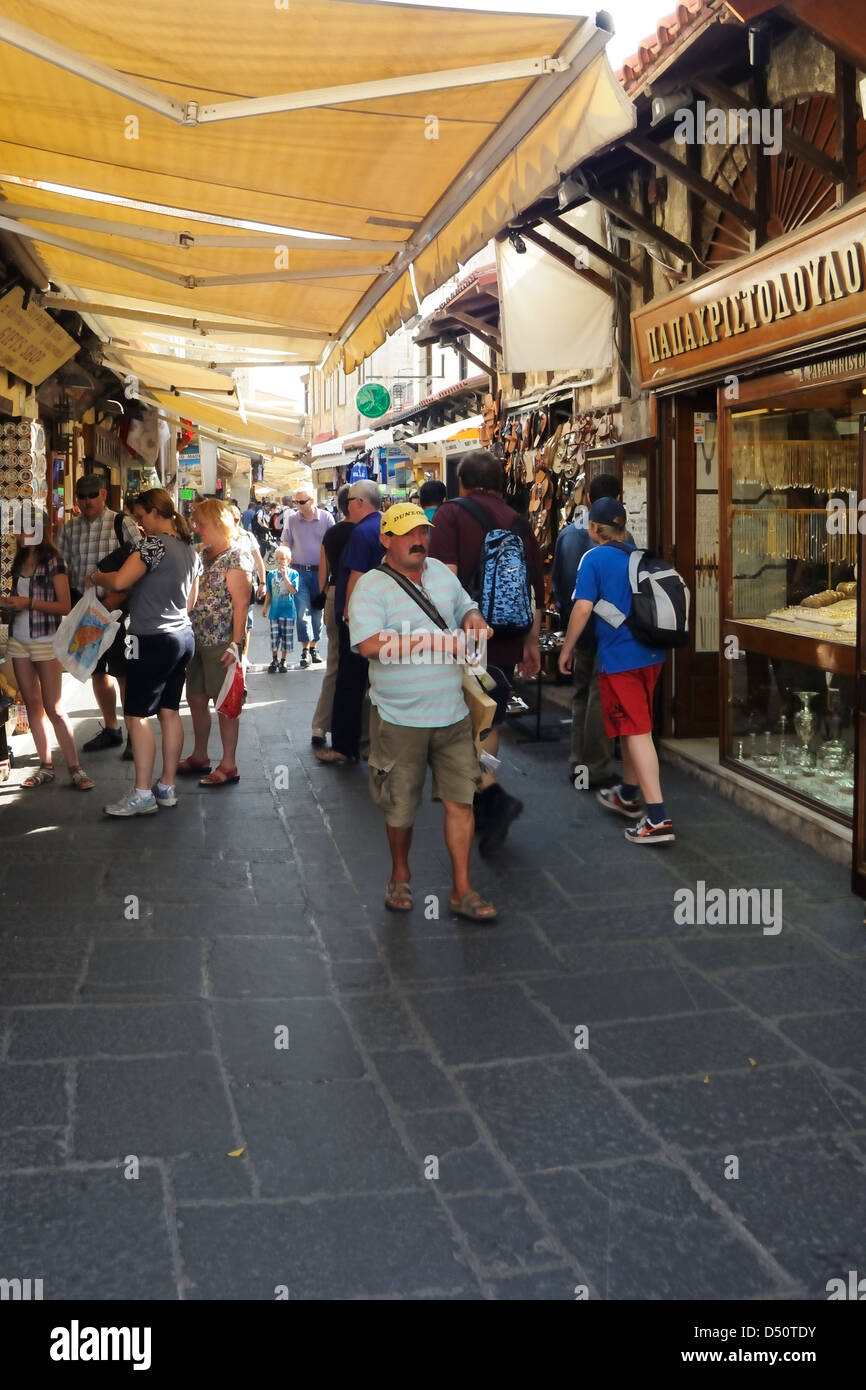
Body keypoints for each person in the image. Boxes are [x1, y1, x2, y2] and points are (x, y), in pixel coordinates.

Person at [349, 503, 496, 921]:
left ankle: (462, 889)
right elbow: (368, 646)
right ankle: (400, 872)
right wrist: (433, 642)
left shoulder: (442, 574)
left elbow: (466, 604)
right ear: (386, 540)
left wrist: (473, 619)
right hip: (399, 718)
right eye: (408, 534)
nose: (419, 541)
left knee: (461, 802)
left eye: (423, 532)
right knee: (399, 806)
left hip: (452, 714)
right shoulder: (373, 587)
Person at [428, 450, 543, 854]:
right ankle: (481, 792)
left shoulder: (450, 515)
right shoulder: (518, 520)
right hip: (507, 636)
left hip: (465, 636)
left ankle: (488, 796)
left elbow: (445, 580)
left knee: (459, 718)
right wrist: (532, 640)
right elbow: (533, 588)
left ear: (462, 482)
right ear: (498, 483)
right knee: (488, 716)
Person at [558, 496, 674, 845]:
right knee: (634, 726)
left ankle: (657, 819)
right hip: (652, 654)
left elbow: (582, 608)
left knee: (636, 731)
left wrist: (567, 650)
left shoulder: (593, 557)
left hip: (620, 659)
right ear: (622, 527)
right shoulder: (638, 555)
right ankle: (627, 793)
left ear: (594, 528)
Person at [93, 488, 201, 817]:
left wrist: (97, 576)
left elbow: (121, 581)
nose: (140, 525)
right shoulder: (188, 549)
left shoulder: (152, 545)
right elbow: (190, 603)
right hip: (182, 636)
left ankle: (142, 792)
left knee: (136, 716)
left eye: (141, 517)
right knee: (169, 711)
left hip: (151, 638)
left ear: (155, 512)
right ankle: (165, 786)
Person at [1, 512, 93, 790]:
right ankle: (46, 766)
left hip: (46, 639)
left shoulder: (54, 561)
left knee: (54, 707)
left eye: (22, 528)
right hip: (19, 639)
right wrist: (8, 604)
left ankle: (75, 768)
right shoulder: (18, 561)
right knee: (32, 705)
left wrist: (27, 603)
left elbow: (64, 605)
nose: (17, 534)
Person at [552, 473, 628, 792]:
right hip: (608, 631)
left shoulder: (567, 536)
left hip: (577, 629)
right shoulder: (622, 541)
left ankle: (578, 765)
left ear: (586, 499)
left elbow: (558, 583)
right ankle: (594, 769)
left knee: (582, 696)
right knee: (599, 697)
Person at [57, 471, 140, 755]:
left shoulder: (122, 523)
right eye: (82, 496)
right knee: (96, 671)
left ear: (104, 494)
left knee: (124, 672)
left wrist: (118, 598)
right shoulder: (69, 529)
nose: (88, 500)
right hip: (87, 609)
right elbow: (64, 568)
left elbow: (140, 565)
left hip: (119, 607)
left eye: (93, 494)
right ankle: (112, 728)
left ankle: (134, 734)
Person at [178, 500, 252, 786]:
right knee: (196, 698)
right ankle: (200, 755)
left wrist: (236, 644)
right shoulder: (203, 554)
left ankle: (229, 763)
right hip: (196, 638)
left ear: (219, 524)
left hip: (221, 640)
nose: (197, 529)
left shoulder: (236, 557)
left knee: (225, 704)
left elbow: (241, 605)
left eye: (201, 523)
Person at [316, 479, 382, 764]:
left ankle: (344, 746)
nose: (347, 507)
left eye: (350, 500)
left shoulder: (361, 533)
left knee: (349, 681)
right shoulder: (384, 526)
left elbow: (355, 577)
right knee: (375, 683)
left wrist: (348, 616)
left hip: (360, 620)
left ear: (360, 503)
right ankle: (371, 743)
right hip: (382, 617)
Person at [311, 484, 353, 746]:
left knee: (334, 664)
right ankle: (360, 730)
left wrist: (324, 596)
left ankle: (319, 726)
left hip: (334, 594)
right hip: (361, 595)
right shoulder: (369, 531)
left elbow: (322, 574)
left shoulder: (332, 534)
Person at [280, 487, 333, 666]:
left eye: (301, 502)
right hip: (299, 572)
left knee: (317, 613)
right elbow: (286, 541)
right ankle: (304, 651)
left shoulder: (326, 518)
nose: (298, 506)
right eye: (296, 502)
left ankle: (313, 647)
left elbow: (334, 544)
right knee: (302, 612)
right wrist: (283, 562)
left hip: (321, 572)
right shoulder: (292, 519)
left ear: (312, 501)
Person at [264, 544, 298, 672]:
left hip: (288, 611)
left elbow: (293, 591)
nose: (279, 561)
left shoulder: (294, 574)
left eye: (282, 559)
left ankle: (283, 661)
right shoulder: (271, 575)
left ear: (288, 561)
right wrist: (265, 607)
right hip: (275, 612)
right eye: (277, 558)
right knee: (274, 637)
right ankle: (274, 660)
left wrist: (285, 576)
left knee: (286, 637)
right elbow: (269, 592)